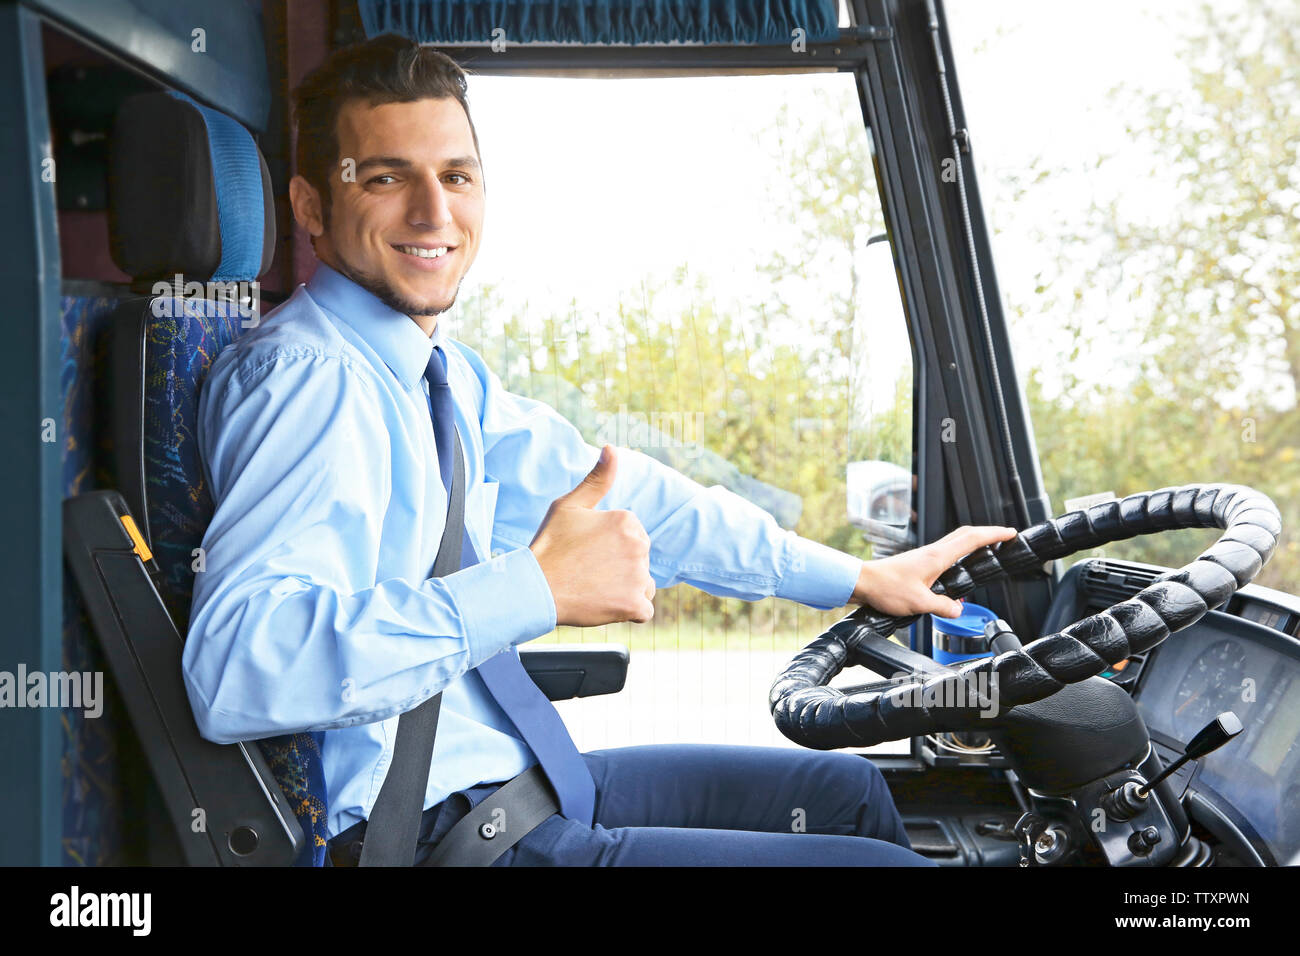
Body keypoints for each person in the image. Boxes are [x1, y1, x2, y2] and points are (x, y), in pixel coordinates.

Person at [182, 33, 1017, 867]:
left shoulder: (437, 375)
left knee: (847, 796)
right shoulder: (311, 382)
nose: (434, 213)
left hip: (512, 782)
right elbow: (240, 669)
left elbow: (631, 499)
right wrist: (531, 589)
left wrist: (856, 577)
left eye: (457, 176)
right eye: (386, 177)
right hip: (425, 833)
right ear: (311, 208)